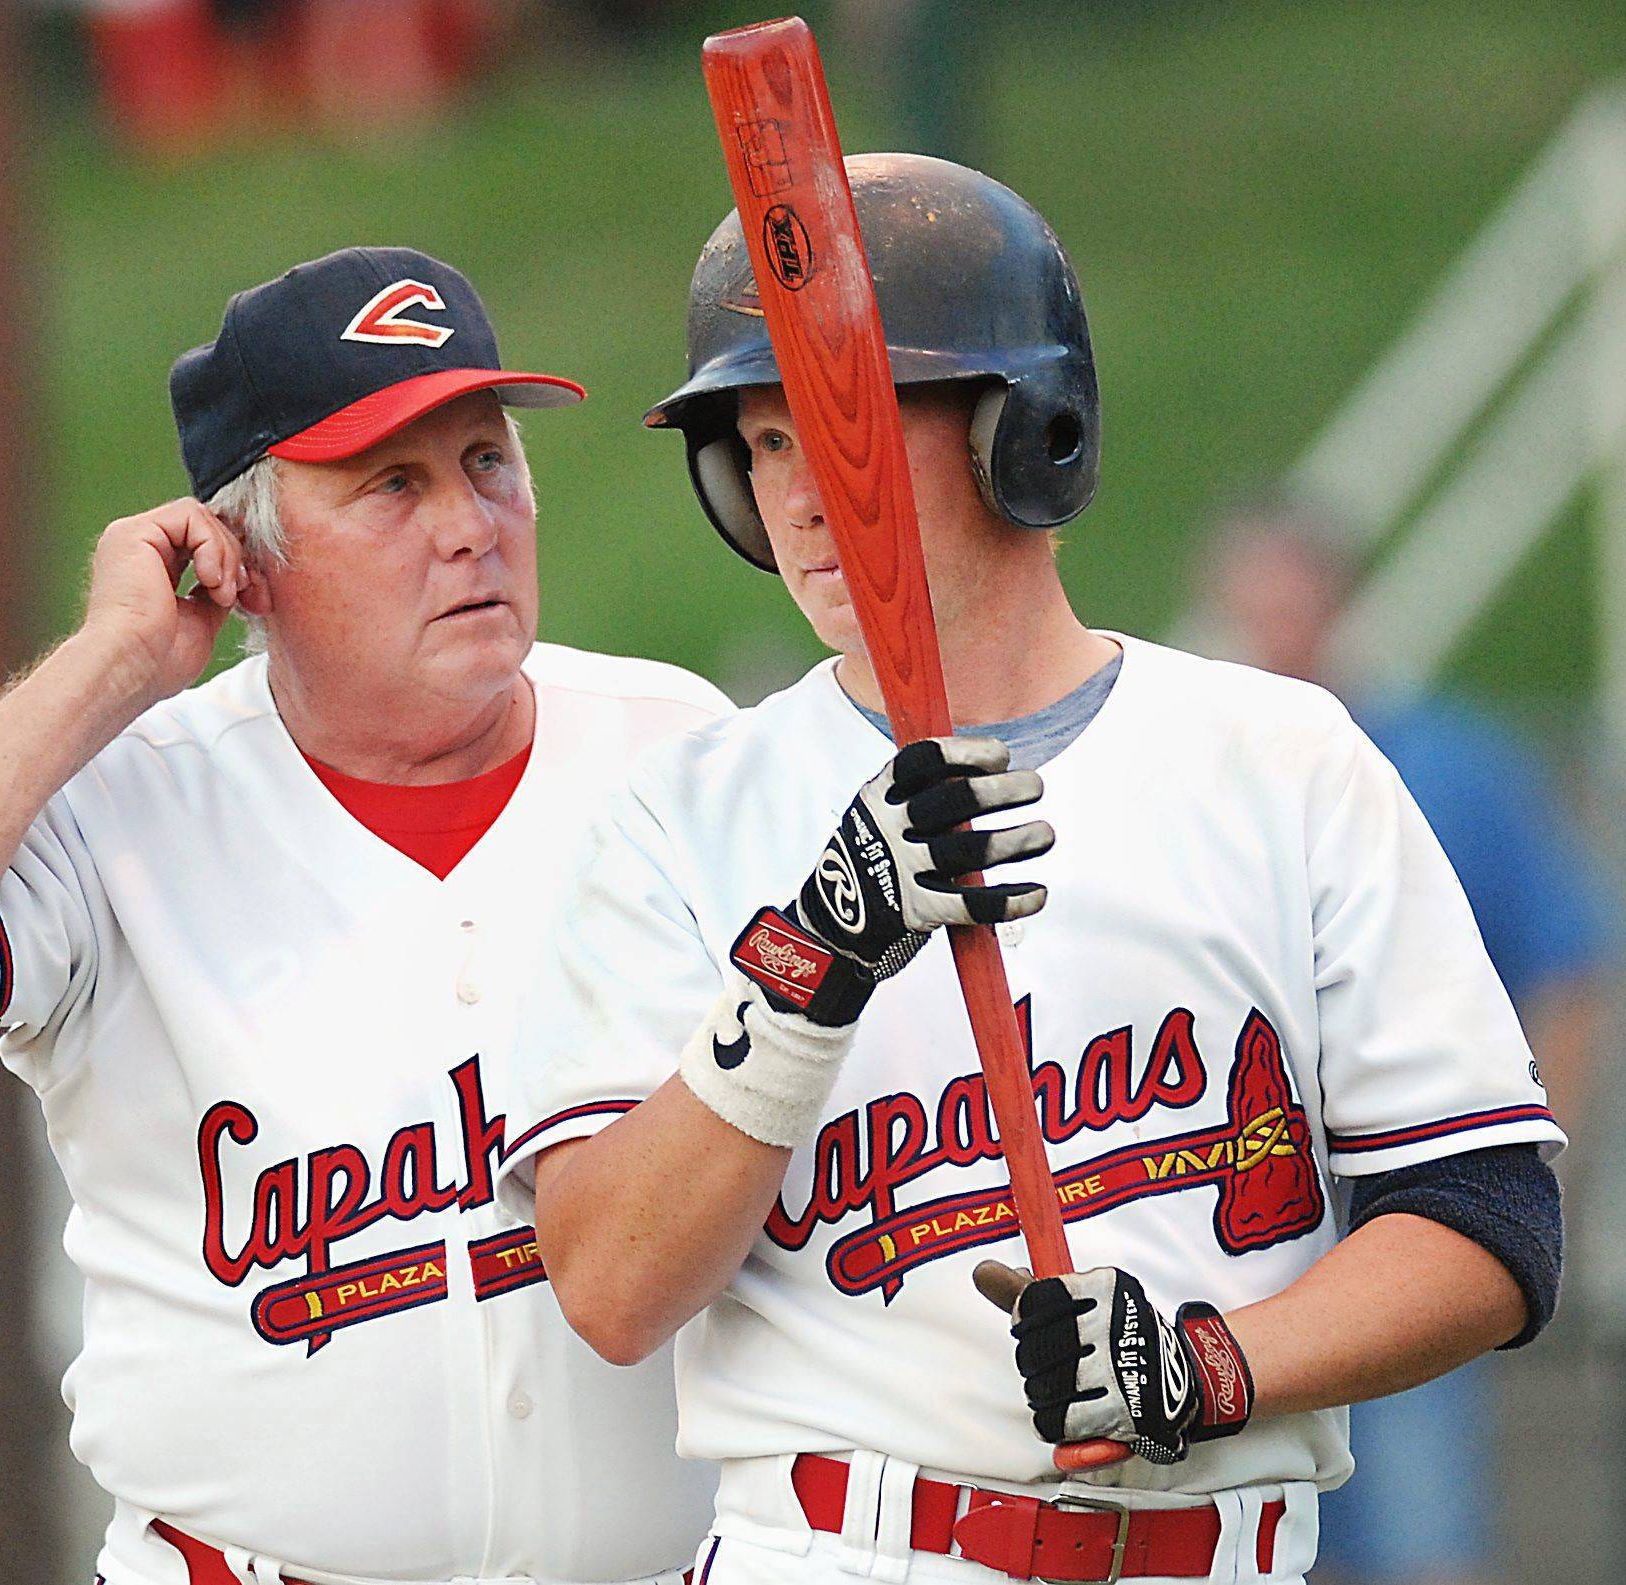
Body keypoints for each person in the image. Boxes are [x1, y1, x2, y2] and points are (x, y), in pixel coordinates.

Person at [493, 155, 1567, 1585]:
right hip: (846, 1550)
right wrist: (813, 965)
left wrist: (1208, 1365)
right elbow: (614, 1288)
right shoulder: (689, 812)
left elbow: (1491, 1220)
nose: (801, 495)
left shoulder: (1278, 757)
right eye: (760, 444)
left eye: (843, 426)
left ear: (1027, 426)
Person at [0, 247, 725, 1585]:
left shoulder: (676, 750)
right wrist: (106, 667)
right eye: (392, 484)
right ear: (243, 556)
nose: (468, 524)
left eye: (488, 462)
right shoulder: (127, 806)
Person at [1197, 499, 1612, 1585]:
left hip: (1402, 1201)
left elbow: (1563, 968)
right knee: (1245, 1520)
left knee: (1422, 1520)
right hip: (1241, 1212)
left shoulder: (1451, 766)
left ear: (1338, 601)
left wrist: (1527, 1172)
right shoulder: (1196, 778)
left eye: (1292, 595)